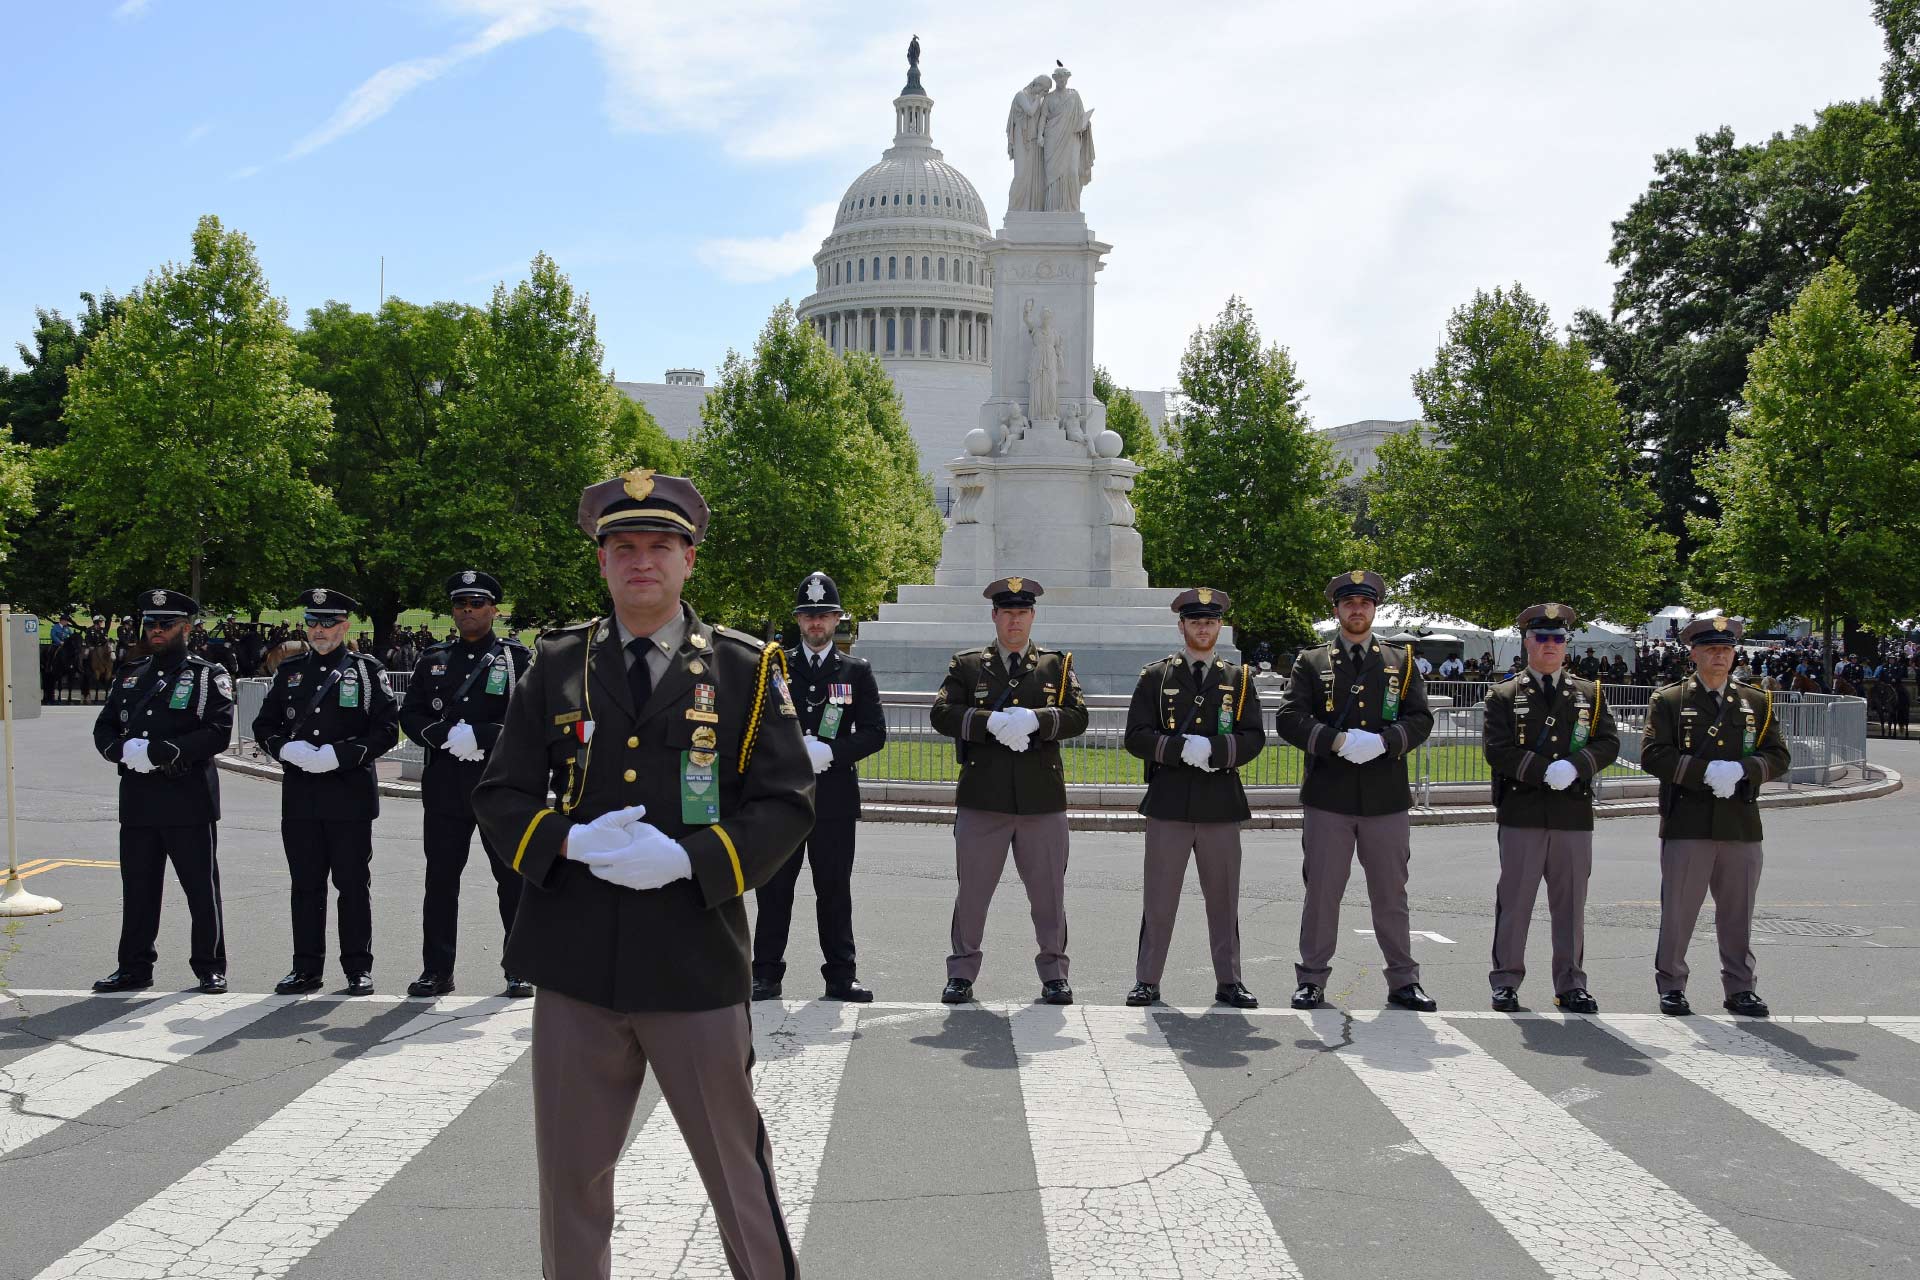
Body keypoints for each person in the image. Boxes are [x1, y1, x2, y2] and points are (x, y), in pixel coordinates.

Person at [473, 467, 814, 1280]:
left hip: (692, 957)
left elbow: (787, 802)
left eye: (659, 545)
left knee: (735, 1170)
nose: (641, 562)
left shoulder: (743, 668)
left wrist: (690, 859)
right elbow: (500, 794)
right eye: (623, 547)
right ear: (601, 564)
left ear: (689, 559)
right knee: (570, 1177)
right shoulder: (555, 663)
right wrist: (568, 842)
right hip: (576, 960)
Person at [1275, 570, 1437, 1012]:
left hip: (1385, 796)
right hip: (1330, 794)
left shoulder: (1400, 662)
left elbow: (1421, 718)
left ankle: (1403, 981)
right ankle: (1312, 978)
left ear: (1374, 608)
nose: (1357, 610)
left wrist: (1386, 741)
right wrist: (1339, 741)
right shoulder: (1311, 662)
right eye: (1349, 603)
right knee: (1323, 891)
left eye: (1364, 603)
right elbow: (1289, 718)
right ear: (1337, 609)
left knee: (1391, 892)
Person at [930, 576, 1088, 1005]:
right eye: (1007, 612)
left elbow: (1078, 716)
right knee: (973, 893)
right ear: (994, 616)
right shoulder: (967, 666)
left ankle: (1055, 972)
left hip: (1041, 799)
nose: (1014, 620)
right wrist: (990, 723)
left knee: (1049, 895)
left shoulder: (1057, 665)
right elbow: (942, 713)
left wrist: (1038, 719)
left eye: (1022, 612)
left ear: (1032, 616)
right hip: (984, 798)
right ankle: (961, 972)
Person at [250, 589, 400, 996]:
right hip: (301, 795)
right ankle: (305, 968)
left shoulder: (366, 671)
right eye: (313, 622)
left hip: (348, 793)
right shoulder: (291, 671)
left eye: (329, 622)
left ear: (345, 625)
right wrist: (285, 748)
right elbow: (264, 726)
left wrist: (342, 755)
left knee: (352, 885)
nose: (320, 631)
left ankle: (357, 968)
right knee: (305, 885)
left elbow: (387, 730)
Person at [1640, 616, 1791, 1017]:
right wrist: (1705, 772)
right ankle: (1671, 985)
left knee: (1738, 911)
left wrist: (1744, 770)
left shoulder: (1756, 701)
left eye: (1725, 649)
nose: (1719, 656)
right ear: (1694, 653)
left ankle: (1740, 987)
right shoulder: (1670, 700)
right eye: (1710, 649)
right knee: (1679, 910)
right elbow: (1653, 754)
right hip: (1688, 821)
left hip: (1740, 822)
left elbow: (1778, 755)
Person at [1121, 588, 1265, 1008]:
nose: (1203, 628)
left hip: (1220, 801)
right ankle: (1147, 979)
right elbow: (1136, 736)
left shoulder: (1238, 679)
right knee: (1160, 898)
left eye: (1210, 621)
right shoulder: (1156, 676)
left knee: (1224, 899)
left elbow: (1254, 736)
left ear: (1219, 626)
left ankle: (1229, 980)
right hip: (1169, 801)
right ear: (1181, 626)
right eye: (1195, 621)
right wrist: (1179, 747)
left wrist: (1217, 752)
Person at [88, 590, 235, 994]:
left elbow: (218, 732)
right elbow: (104, 727)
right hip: (138, 798)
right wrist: (121, 751)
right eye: (150, 624)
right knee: (137, 888)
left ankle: (209, 965)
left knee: (200, 889)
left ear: (186, 628)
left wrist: (160, 751)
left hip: (186, 795)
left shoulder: (207, 675)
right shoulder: (131, 673)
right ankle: (134, 966)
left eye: (166, 625)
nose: (156, 631)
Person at [752, 570, 887, 1003]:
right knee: (774, 890)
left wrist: (833, 752)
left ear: (836, 619)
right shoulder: (775, 667)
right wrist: (791, 754)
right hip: (783, 799)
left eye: (824, 615)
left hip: (833, 799)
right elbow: (755, 728)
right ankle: (765, 975)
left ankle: (841, 976)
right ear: (798, 619)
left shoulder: (855, 670)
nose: (815, 623)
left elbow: (874, 732)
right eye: (808, 615)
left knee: (834, 890)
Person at [398, 570, 534, 998]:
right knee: (440, 880)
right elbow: (412, 713)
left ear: (494, 609)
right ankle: (437, 970)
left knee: (512, 879)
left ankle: (520, 967)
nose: (468, 612)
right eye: (461, 605)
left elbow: (532, 716)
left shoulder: (517, 659)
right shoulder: (433, 657)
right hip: (445, 785)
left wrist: (483, 736)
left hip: (500, 784)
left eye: (477, 604)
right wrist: (443, 737)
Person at [1481, 604, 1620, 1014]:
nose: (1549, 645)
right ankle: (1505, 981)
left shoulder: (1589, 694)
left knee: (1571, 903)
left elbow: (1608, 742)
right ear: (1527, 642)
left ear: (1566, 645)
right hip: (1523, 811)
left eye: (1558, 639)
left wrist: (1574, 766)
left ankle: (1571, 983)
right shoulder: (1504, 695)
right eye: (1541, 638)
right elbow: (1497, 750)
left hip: (1571, 813)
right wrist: (1544, 771)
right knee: (1515, 901)